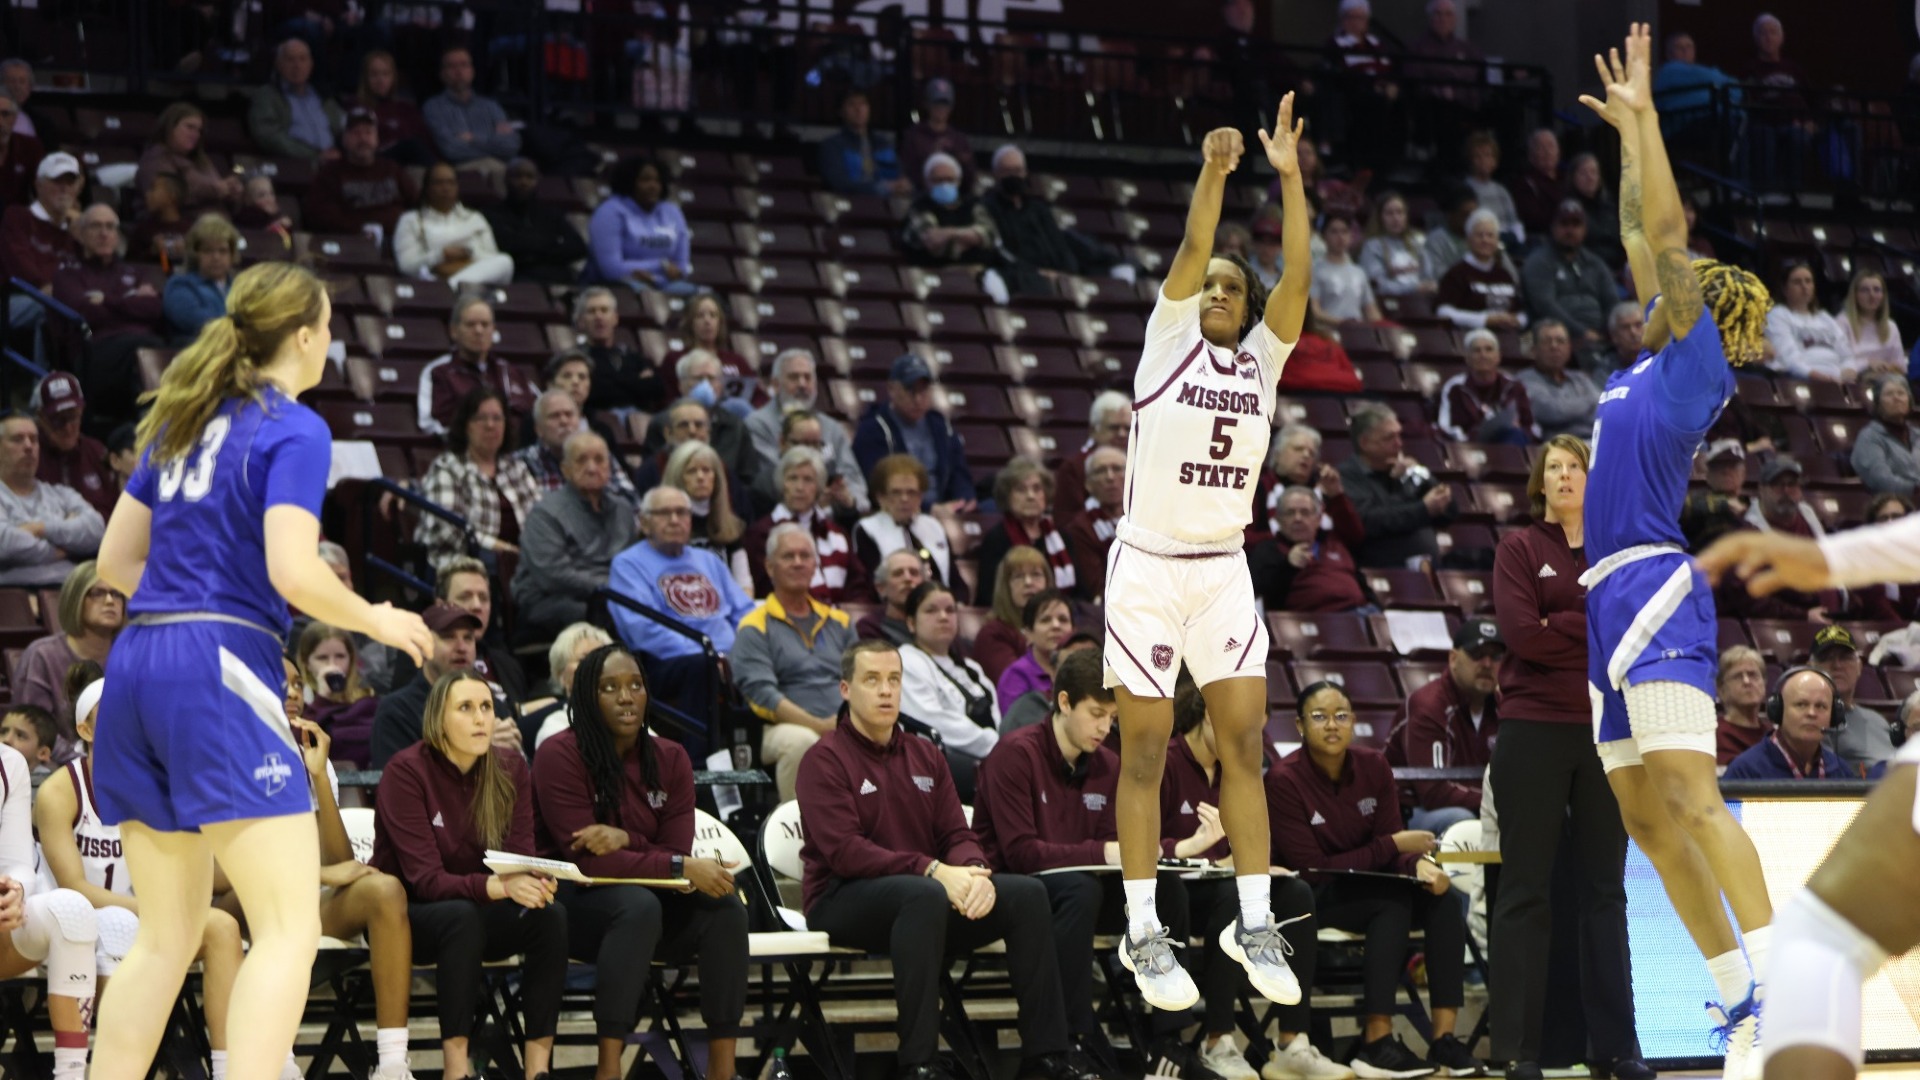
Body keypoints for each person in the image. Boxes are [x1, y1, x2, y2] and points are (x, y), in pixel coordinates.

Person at [86, 260, 433, 1080]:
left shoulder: (179, 419)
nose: (333, 341)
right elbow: (294, 570)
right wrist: (378, 616)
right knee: (286, 929)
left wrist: (183, 608)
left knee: (165, 939)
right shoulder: (295, 426)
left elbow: (113, 562)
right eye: (330, 326)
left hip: (137, 663)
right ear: (306, 335)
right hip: (216, 662)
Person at [1575, 26, 1778, 1074]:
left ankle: (1792, 994)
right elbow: (1632, 228)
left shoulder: (1694, 363)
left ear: (1698, 306)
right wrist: (1624, 135)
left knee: (1695, 802)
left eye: (1664, 284)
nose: (1644, 289)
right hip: (1603, 597)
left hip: (1654, 588)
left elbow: (1661, 229)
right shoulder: (1641, 367)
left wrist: (1652, 116)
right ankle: (1741, 1001)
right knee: (1649, 829)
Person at [1104, 99, 1309, 1019]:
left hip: (1223, 568)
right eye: (1212, 284)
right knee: (1144, 749)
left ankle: (1252, 918)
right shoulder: (1166, 344)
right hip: (1148, 564)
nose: (1220, 290)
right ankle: (1143, 930)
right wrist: (1218, 177)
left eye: (1235, 285)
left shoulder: (1263, 363)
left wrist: (1292, 179)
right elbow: (1192, 248)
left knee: (1244, 752)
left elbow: (1297, 273)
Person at [795, 640, 1101, 1080]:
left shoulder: (926, 755)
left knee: (1027, 894)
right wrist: (933, 870)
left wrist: (975, 871)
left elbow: (957, 834)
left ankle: (1046, 1054)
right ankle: (918, 1062)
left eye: (894, 680)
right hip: (841, 898)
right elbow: (846, 852)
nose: (886, 691)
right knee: (921, 896)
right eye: (872, 680)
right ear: (846, 689)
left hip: (922, 900)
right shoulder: (823, 759)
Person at [1694, 496, 1920, 1080]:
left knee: (1814, 946)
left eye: (1824, 704)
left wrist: (1823, 558)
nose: (1815, 713)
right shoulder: (1749, 761)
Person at [972, 649, 1235, 1077]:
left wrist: (1183, 846)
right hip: (1018, 892)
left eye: (1111, 717)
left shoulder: (1109, 764)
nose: (1104, 727)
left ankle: (1167, 1040)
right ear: (1062, 703)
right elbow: (1021, 853)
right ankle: (1075, 1037)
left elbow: (1119, 846)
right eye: (1095, 713)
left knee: (1166, 889)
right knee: (1081, 890)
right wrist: (1106, 853)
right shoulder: (1013, 755)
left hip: (1084, 890)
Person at [1487, 432, 1646, 1079]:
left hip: (1609, 729)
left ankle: (1616, 1047)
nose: (1563, 476)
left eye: (1574, 465)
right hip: (1532, 727)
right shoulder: (1518, 547)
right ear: (1540, 482)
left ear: (1589, 477)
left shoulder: (1616, 550)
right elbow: (1522, 634)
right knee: (1525, 890)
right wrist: (1589, 628)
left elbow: (1630, 631)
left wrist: (1565, 626)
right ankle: (1517, 1052)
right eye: (1552, 467)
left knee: (1606, 890)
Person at [533, 643, 749, 1080]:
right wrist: (678, 865)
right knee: (636, 905)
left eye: (635, 685)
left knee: (725, 908)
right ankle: (608, 1066)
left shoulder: (670, 758)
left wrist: (626, 840)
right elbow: (587, 863)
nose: (626, 696)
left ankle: (723, 1068)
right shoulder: (559, 754)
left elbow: (672, 844)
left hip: (646, 899)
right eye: (609, 688)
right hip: (574, 906)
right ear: (585, 699)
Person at [1269, 681, 1480, 1077]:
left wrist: (1417, 863)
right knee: (1390, 903)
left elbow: (1391, 842)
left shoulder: (1374, 766)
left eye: (1341, 716)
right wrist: (1393, 846)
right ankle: (1376, 1041)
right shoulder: (1284, 779)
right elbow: (1312, 867)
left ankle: (1444, 1040)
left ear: (1353, 722)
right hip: (1312, 896)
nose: (1332, 725)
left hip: (1368, 884)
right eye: (1319, 717)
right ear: (1299, 725)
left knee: (1444, 901)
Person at [37, 680, 243, 1080]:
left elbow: (200, 872)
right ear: (86, 730)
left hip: (145, 919)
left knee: (222, 927)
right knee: (119, 928)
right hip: (76, 925)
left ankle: (228, 1070)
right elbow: (74, 888)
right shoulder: (60, 791)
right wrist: (154, 909)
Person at [372, 671, 566, 1080]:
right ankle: (456, 1069)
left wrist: (535, 880)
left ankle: (538, 1070)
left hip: (480, 907)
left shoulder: (511, 767)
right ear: (437, 719)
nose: (481, 719)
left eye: (486, 708)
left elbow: (521, 855)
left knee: (549, 915)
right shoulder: (405, 771)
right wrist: (496, 886)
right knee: (459, 916)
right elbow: (425, 879)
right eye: (465, 708)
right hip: (411, 918)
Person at [1146, 678, 1333, 1080]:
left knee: (1294, 894)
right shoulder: (1164, 759)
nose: (1243, 737)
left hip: (1222, 885)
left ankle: (1292, 1042)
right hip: (1170, 894)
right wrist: (1191, 844)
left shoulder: (1241, 766)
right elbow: (1137, 841)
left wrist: (1250, 865)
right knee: (1235, 900)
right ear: (1207, 716)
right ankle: (1218, 1041)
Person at [732, 523, 857, 802]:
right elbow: (763, 696)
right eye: (789, 556)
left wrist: (848, 724)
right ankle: (798, 834)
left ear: (815, 565)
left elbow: (861, 683)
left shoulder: (840, 622)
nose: (798, 563)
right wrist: (819, 725)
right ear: (769, 566)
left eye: (805, 556)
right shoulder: (754, 626)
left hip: (843, 723)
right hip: (774, 729)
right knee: (802, 741)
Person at [608, 485, 755, 687]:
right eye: (664, 513)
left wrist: (748, 649)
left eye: (682, 513)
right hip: (675, 662)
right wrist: (710, 657)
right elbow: (643, 630)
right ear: (644, 522)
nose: (675, 520)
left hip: (729, 656)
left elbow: (744, 612)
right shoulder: (628, 565)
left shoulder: (709, 560)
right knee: (700, 668)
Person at [512, 432, 636, 644]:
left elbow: (633, 563)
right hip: (551, 599)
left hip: (610, 595)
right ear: (565, 469)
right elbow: (553, 575)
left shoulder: (623, 509)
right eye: (581, 460)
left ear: (610, 466)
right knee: (605, 615)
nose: (591, 468)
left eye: (599, 460)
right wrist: (611, 588)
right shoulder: (545, 513)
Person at [51, 204, 167, 425]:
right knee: (143, 349)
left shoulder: (134, 272)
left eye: (110, 227)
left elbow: (154, 309)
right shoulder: (68, 274)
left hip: (139, 348)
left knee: (171, 348)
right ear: (81, 234)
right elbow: (86, 313)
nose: (104, 233)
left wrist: (107, 300)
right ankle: (153, 426)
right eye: (96, 226)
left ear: (117, 235)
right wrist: (132, 301)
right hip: (93, 354)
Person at [416, 386, 542, 574]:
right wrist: (506, 551)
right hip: (461, 564)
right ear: (465, 425)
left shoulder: (516, 468)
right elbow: (447, 531)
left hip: (520, 564)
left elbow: (540, 519)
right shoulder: (447, 467)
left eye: (497, 418)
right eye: (481, 418)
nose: (490, 425)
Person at [1395, 616, 1502, 834]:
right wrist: (1500, 802)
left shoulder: (1505, 707)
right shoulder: (1428, 706)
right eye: (1477, 655)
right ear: (1453, 658)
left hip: (1482, 806)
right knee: (1462, 821)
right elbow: (1434, 792)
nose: (1487, 664)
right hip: (1413, 811)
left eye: (1495, 656)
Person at [898, 580, 1000, 791]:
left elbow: (995, 715)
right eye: (931, 610)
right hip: (943, 760)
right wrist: (992, 744)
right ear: (910, 622)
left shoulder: (972, 668)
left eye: (950, 610)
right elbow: (931, 720)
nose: (943, 617)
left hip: (989, 754)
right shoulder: (906, 660)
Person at [11, 559, 121, 752]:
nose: (110, 601)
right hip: (56, 768)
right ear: (75, 598)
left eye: (117, 594)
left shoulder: (131, 657)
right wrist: (84, 762)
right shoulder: (42, 656)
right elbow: (33, 730)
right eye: (97, 593)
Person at [745, 348, 868, 515]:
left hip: (835, 514)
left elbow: (853, 478)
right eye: (794, 377)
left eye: (807, 378)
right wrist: (816, 499)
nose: (802, 384)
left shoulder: (832, 427)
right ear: (775, 384)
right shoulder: (758, 424)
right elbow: (778, 477)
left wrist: (852, 501)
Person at [742, 446, 872, 604]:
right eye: (792, 478)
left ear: (819, 487)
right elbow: (766, 589)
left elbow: (857, 587)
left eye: (808, 479)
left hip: (839, 622)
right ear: (782, 484)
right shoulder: (761, 533)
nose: (799, 487)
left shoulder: (836, 533)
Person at [982, 144, 1127, 284]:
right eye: (1008, 171)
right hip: (1022, 276)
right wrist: (1036, 272)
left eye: (1018, 170)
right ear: (996, 173)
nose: (1014, 176)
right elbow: (999, 250)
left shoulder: (1038, 209)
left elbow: (1058, 244)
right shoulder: (987, 208)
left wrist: (1066, 272)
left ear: (1025, 173)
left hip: (1056, 274)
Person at [852, 354, 978, 512]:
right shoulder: (873, 429)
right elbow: (878, 487)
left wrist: (964, 499)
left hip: (945, 511)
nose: (918, 399)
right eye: (910, 390)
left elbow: (960, 472)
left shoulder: (941, 426)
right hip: (897, 513)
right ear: (891, 389)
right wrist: (929, 509)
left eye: (923, 390)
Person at [369, 602, 487, 768]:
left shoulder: (491, 705)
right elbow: (399, 786)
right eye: (448, 636)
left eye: (468, 638)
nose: (462, 647)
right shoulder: (397, 712)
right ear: (422, 646)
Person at [0, 413, 104, 587]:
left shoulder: (61, 494)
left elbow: (96, 529)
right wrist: (60, 549)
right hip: (14, 594)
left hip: (69, 592)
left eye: (34, 439)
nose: (28, 446)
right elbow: (5, 541)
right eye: (17, 439)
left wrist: (41, 528)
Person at [899, 152, 1014, 303]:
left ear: (958, 181)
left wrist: (950, 233)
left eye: (949, 180)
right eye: (938, 180)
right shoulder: (919, 207)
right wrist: (972, 237)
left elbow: (990, 234)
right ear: (927, 182)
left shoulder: (973, 204)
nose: (945, 184)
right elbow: (934, 243)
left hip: (979, 274)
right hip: (936, 275)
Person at [417, 296, 539, 437]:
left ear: (493, 330)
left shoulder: (511, 371)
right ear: (454, 331)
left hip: (517, 453)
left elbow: (542, 410)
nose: (479, 331)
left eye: (485, 325)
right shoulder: (438, 372)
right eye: (470, 325)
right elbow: (428, 424)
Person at [853, 453, 964, 603]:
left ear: (920, 497)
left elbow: (954, 581)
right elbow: (873, 586)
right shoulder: (867, 530)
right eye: (896, 492)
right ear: (881, 497)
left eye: (911, 492)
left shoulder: (933, 526)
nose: (904, 499)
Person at [1, 152, 81, 358]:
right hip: (12, 300)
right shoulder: (18, 217)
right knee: (54, 307)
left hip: (62, 297)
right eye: (56, 181)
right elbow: (19, 267)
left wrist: (81, 234)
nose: (63, 188)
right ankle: (44, 386)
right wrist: (52, 288)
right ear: (39, 185)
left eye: (69, 182)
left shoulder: (78, 230)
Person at [1248, 486, 1373, 614]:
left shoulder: (1335, 542)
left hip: (1363, 613)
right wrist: (1288, 565)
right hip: (1315, 622)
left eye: (1305, 512)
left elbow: (1361, 583)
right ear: (1278, 519)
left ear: (1318, 519)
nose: (1298, 518)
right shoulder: (1268, 550)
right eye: (1290, 513)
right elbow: (1260, 592)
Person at [394, 162, 514, 288]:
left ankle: (451, 287)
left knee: (505, 261)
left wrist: (469, 253)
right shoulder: (410, 220)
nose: (446, 188)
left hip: (475, 283)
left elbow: (492, 259)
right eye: (439, 183)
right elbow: (406, 265)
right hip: (432, 283)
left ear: (457, 187)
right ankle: (450, 289)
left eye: (451, 182)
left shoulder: (475, 218)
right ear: (427, 188)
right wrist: (441, 255)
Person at [586, 155, 694, 295]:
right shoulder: (609, 212)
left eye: (658, 181)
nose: (653, 186)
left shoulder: (672, 212)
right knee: (641, 292)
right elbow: (611, 269)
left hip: (664, 284)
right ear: (629, 182)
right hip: (617, 286)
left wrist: (655, 277)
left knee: (705, 296)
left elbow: (681, 268)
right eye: (645, 180)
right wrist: (660, 266)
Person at [513, 389, 641, 506]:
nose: (564, 421)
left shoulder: (599, 456)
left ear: (580, 422)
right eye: (554, 416)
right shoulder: (521, 463)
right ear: (538, 429)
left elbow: (631, 501)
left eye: (569, 415)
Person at [304, 107, 416, 240]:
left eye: (368, 132)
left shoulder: (392, 169)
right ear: (344, 139)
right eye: (356, 133)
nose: (363, 139)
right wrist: (359, 229)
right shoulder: (330, 173)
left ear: (377, 138)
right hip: (352, 244)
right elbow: (319, 215)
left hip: (399, 240)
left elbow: (417, 203)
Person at [661, 438, 753, 594]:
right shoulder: (666, 526)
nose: (700, 477)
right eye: (691, 471)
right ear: (677, 477)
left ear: (716, 477)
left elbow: (744, 584)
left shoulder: (730, 525)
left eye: (706, 470)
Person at [977, 456, 1075, 600]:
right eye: (1021, 490)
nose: (1031, 496)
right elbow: (989, 595)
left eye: (1037, 489)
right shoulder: (996, 539)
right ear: (1007, 496)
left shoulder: (1062, 537)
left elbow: (1080, 592)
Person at [422, 46, 521, 186]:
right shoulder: (433, 107)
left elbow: (511, 146)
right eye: (452, 66)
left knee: (524, 170)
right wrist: (494, 141)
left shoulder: (491, 106)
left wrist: (473, 139)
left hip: (500, 165)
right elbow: (451, 150)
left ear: (472, 71)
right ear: (442, 74)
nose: (459, 71)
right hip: (461, 169)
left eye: (464, 65)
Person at [1722, 668, 1847, 779]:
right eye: (1801, 705)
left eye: (1820, 706)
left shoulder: (1842, 772)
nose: (1811, 713)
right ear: (1779, 711)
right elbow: (1729, 806)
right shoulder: (1745, 771)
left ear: (1834, 715)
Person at [1522, 200, 1616, 346]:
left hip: (1599, 334)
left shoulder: (1595, 263)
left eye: (1576, 225)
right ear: (1553, 228)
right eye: (1564, 224)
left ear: (1585, 229)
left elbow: (1612, 302)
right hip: (1555, 335)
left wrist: (1607, 332)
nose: (1570, 230)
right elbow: (1545, 306)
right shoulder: (1539, 262)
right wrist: (1582, 332)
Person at [1805, 625, 1896, 774]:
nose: (1837, 665)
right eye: (1826, 658)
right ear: (1810, 668)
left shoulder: (1877, 720)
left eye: (1845, 657)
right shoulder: (1809, 720)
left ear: (1859, 666)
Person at [572, 286, 669, 423]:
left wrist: (611, 382)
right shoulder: (575, 359)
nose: (599, 316)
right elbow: (595, 393)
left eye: (604, 310)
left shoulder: (631, 355)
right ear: (581, 321)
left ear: (615, 318)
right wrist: (636, 381)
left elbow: (657, 388)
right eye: (591, 311)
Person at [485, 157, 588, 286]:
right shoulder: (492, 213)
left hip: (558, 277)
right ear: (506, 179)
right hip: (517, 278)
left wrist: (531, 250)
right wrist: (552, 244)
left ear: (538, 180)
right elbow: (505, 248)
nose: (524, 182)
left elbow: (578, 248)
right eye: (517, 176)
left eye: (530, 177)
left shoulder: (551, 213)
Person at [298, 620, 382, 769]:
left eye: (340, 656)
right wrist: (322, 699)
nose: (333, 665)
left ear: (351, 660)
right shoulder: (298, 703)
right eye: (322, 658)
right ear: (306, 663)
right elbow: (296, 744)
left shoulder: (369, 703)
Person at [32, 372, 115, 519]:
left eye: (73, 417)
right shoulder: (28, 456)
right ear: (41, 419)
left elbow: (117, 510)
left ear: (82, 412)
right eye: (58, 420)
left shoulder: (96, 452)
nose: (68, 428)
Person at [1436, 328, 1539, 445]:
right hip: (1470, 447)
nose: (1483, 355)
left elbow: (1531, 426)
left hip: (1511, 442)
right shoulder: (1455, 387)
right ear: (1467, 358)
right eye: (1476, 350)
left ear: (1498, 356)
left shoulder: (1515, 386)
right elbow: (1445, 427)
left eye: (1489, 349)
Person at [136, 103, 242, 216]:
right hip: (175, 226)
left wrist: (231, 192)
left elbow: (219, 189)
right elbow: (169, 195)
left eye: (199, 131)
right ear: (170, 127)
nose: (195, 134)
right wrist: (217, 190)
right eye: (190, 127)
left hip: (217, 222)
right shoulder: (155, 158)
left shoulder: (201, 160)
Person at [247, 38, 343, 161]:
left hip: (333, 162)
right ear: (278, 64)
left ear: (311, 65)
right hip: (295, 165)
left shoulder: (322, 96)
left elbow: (344, 124)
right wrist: (314, 156)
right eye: (290, 59)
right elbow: (268, 135)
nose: (297, 66)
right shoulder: (267, 96)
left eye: (302, 59)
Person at [525, 623, 615, 749]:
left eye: (602, 659)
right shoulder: (555, 729)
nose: (596, 666)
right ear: (562, 676)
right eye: (584, 660)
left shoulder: (628, 718)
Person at [1435, 208, 1526, 330]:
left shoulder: (1505, 275)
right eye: (1479, 235)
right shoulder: (1456, 273)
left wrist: (1518, 320)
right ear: (1468, 240)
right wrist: (1485, 320)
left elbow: (1521, 313)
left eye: (1490, 235)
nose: (1485, 240)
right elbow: (1443, 311)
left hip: (1507, 338)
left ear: (1497, 240)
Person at [974, 546, 1053, 682]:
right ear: (1006, 586)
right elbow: (1016, 683)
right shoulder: (994, 634)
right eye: (1019, 576)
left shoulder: (1061, 626)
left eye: (1036, 575)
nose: (1028, 582)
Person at [161, 213, 241, 344]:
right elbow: (198, 322)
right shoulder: (180, 285)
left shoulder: (240, 287)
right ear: (195, 254)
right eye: (208, 251)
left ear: (232, 255)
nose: (216, 257)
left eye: (223, 251)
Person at [816, 89, 911, 199]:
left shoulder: (882, 143)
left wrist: (903, 185)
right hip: (850, 205)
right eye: (852, 104)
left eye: (863, 104)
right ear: (841, 112)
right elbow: (839, 183)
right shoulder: (832, 146)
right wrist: (880, 188)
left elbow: (896, 175)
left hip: (885, 206)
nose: (858, 109)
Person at [1765, 263, 1851, 382]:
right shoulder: (1778, 315)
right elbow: (1787, 357)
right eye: (1797, 282)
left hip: (1837, 380)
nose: (1804, 286)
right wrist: (1818, 377)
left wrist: (1846, 375)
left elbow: (1847, 355)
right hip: (1802, 379)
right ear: (1785, 289)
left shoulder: (1825, 318)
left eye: (1808, 281)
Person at [1516, 319, 1600, 440]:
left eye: (1560, 341)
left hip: (1594, 441)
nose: (1554, 346)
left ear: (1569, 349)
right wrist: (1589, 402)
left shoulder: (1580, 378)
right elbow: (1552, 411)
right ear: (1534, 350)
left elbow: (1604, 407)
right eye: (1547, 341)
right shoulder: (1524, 380)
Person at [996, 590, 1074, 717]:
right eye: (1045, 620)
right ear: (1028, 633)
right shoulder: (1016, 676)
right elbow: (1017, 728)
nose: (1056, 625)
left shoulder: (1082, 671)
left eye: (1063, 620)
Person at [1061, 445, 1125, 601]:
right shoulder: (1080, 528)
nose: (1110, 477)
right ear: (1088, 484)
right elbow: (1096, 586)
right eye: (1100, 471)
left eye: (1117, 469)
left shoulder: (1145, 518)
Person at [349, 49, 433, 165]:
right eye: (374, 74)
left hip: (411, 164)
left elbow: (426, 140)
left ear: (393, 77)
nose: (381, 80)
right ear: (365, 78)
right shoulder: (356, 107)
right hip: (376, 161)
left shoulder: (406, 107)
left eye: (386, 74)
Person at [1849, 372, 1920, 498]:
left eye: (1901, 393)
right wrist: (1915, 489)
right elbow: (1880, 480)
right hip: (1896, 503)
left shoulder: (1917, 434)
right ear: (1878, 403)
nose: (1896, 398)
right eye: (1889, 394)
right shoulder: (1869, 437)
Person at [1360, 191, 1433, 298]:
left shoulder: (1417, 242)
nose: (1396, 218)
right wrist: (1413, 288)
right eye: (1389, 213)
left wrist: (1429, 286)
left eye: (1400, 212)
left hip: (1419, 300)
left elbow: (1429, 275)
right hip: (1390, 302)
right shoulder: (1372, 246)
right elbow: (1377, 285)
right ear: (1380, 217)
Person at [1838, 269, 1905, 375]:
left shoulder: (1891, 326)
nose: (1872, 295)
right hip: (1856, 377)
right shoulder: (1842, 322)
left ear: (1883, 295)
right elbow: (1839, 361)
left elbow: (1900, 366)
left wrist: (1887, 367)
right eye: (1865, 290)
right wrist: (1868, 364)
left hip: (1886, 377)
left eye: (1877, 290)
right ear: (1855, 295)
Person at [1715, 646, 1772, 767]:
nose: (1747, 681)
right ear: (1721, 690)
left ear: (1764, 684)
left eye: (1753, 675)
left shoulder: (1773, 735)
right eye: (1737, 676)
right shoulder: (1715, 735)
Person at [1461, 131, 1521, 241]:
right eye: (1478, 156)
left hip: (1507, 240)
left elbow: (1514, 222)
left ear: (1495, 161)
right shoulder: (1465, 189)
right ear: (1470, 160)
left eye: (1488, 155)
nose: (1483, 160)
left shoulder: (1501, 190)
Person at [858, 549, 924, 645]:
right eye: (898, 574)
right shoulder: (870, 627)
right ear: (881, 588)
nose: (908, 578)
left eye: (914, 573)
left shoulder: (937, 621)